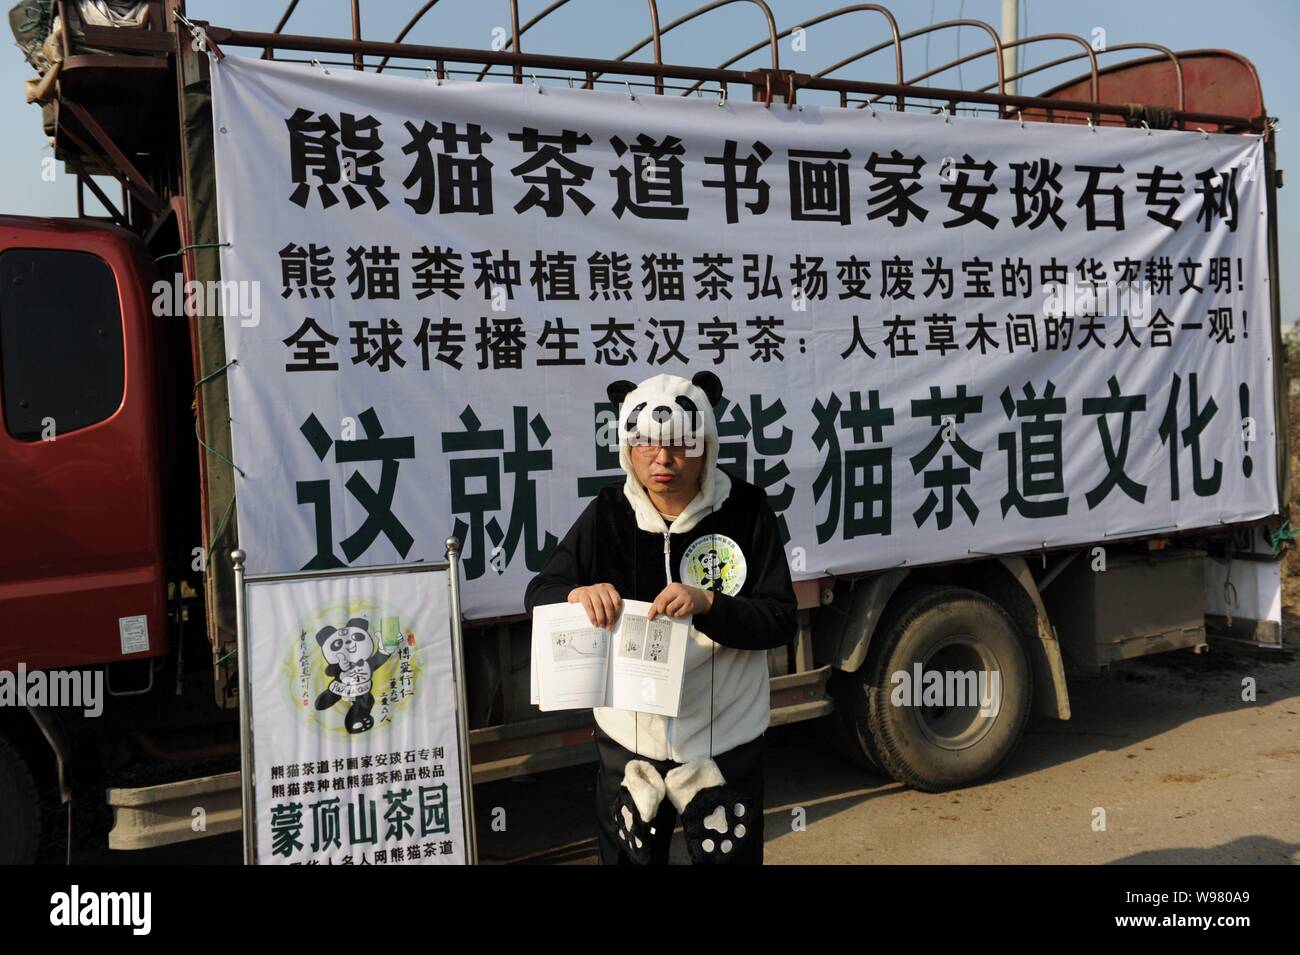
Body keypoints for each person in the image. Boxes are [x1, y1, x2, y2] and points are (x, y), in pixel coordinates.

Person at [524, 370, 797, 864]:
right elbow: (539, 594)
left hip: (724, 741)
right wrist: (578, 594)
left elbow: (780, 620)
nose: (663, 459)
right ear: (627, 447)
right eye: (647, 443)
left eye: (679, 445)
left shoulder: (747, 510)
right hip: (629, 745)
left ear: (707, 446)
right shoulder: (609, 512)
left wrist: (711, 604)